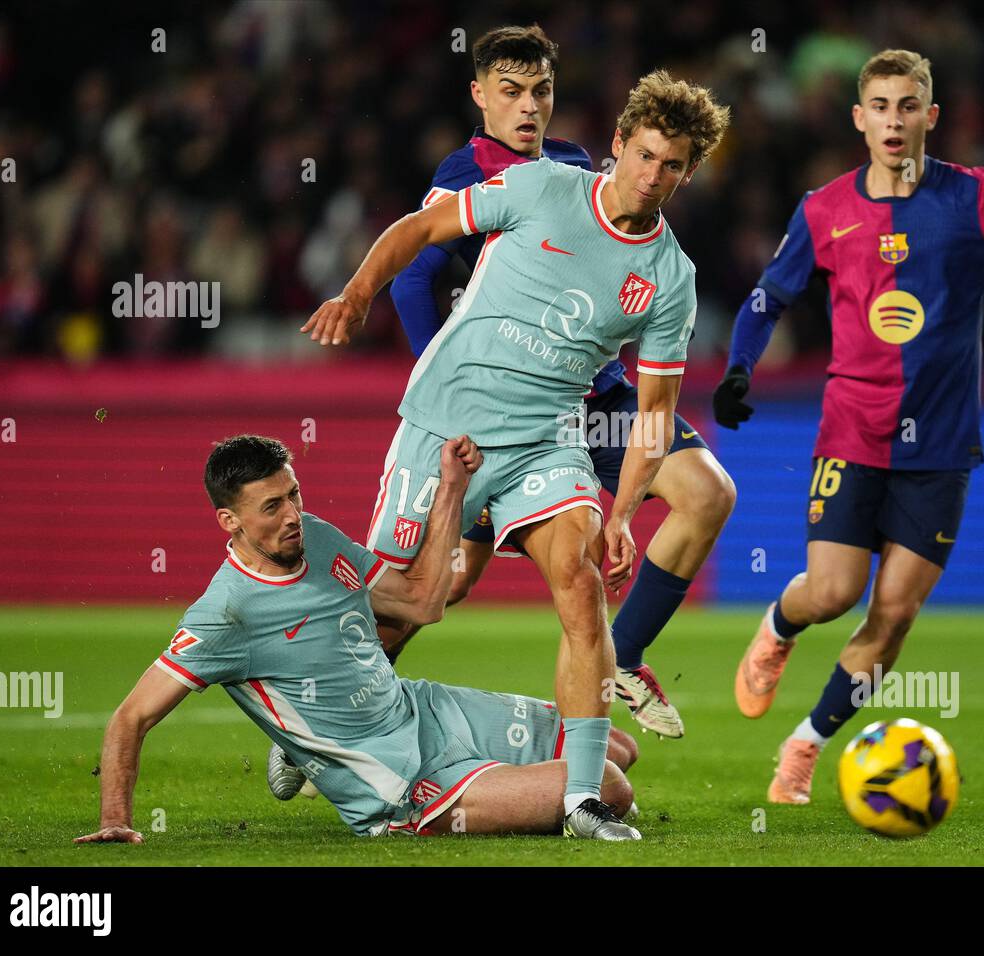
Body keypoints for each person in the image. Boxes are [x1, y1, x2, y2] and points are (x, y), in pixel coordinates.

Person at [302, 71, 730, 833]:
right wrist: (359, 292)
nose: (653, 176)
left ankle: (580, 800)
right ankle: (317, 718)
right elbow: (421, 231)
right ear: (618, 146)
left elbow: (656, 415)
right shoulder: (540, 187)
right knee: (405, 599)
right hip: (446, 422)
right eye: (645, 156)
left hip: (547, 438)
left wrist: (624, 512)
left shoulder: (670, 277)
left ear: (690, 173)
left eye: (673, 166)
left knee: (581, 577)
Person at [713, 50, 984, 804]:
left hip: (943, 445)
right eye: (880, 106)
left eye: (908, 105)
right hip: (853, 432)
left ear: (931, 117)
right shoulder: (824, 208)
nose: (894, 119)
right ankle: (779, 629)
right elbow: (767, 299)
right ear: (859, 118)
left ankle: (804, 747)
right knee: (832, 593)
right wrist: (738, 370)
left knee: (891, 619)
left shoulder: (977, 197)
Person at [388, 25, 736, 740]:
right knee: (446, 581)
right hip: (502, 407)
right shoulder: (464, 171)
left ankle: (624, 656)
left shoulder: (577, 164)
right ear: (479, 97)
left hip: (596, 394)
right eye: (511, 93)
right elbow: (414, 275)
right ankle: (344, 695)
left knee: (706, 494)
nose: (529, 108)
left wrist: (628, 511)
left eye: (541, 92)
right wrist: (452, 393)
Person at [74, 435, 641, 844]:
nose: (293, 514)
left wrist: (452, 490)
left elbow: (423, 601)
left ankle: (297, 752)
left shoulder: (317, 537)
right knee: (607, 787)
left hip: (424, 709)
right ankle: (326, 763)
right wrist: (115, 819)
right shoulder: (227, 614)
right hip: (401, 780)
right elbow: (130, 718)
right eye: (272, 506)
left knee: (616, 748)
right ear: (230, 522)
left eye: (293, 494)